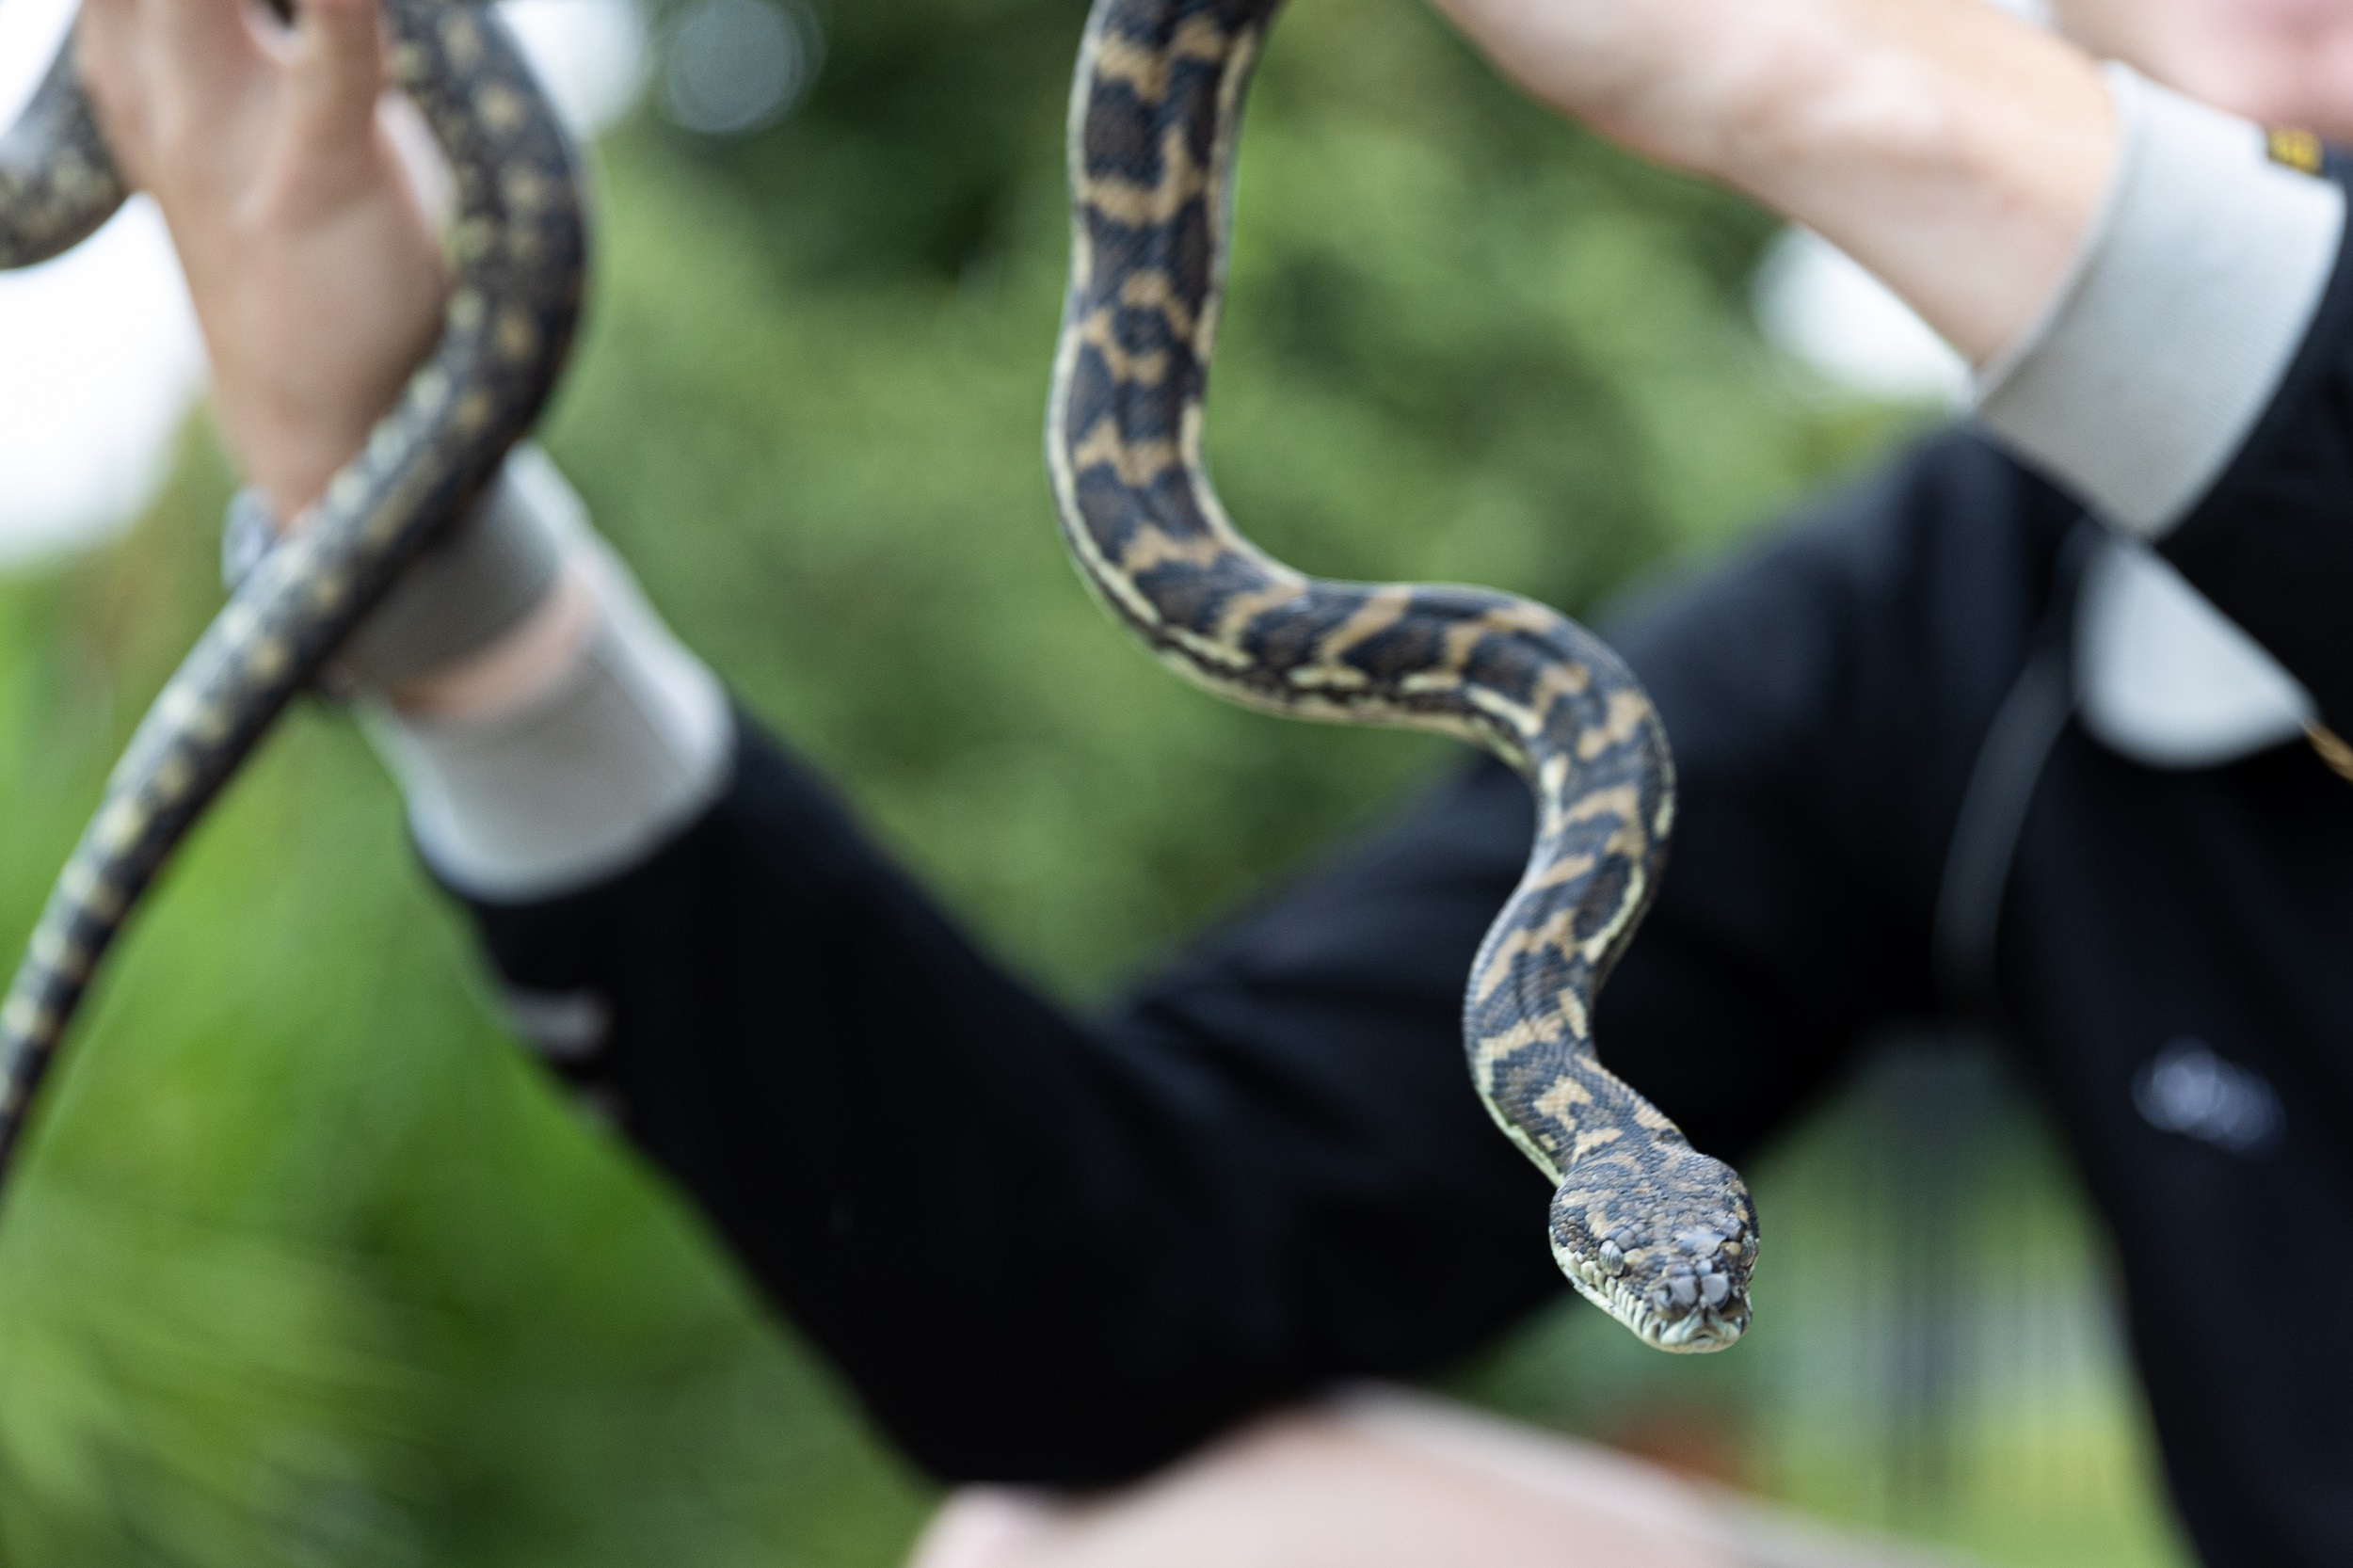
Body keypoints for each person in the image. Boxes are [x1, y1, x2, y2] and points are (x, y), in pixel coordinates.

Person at [67, 0, 2353, 1561]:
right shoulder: (1969, 610)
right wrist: (433, 547)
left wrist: (1875, 108)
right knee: (1128, 1533)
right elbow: (1109, 1287)